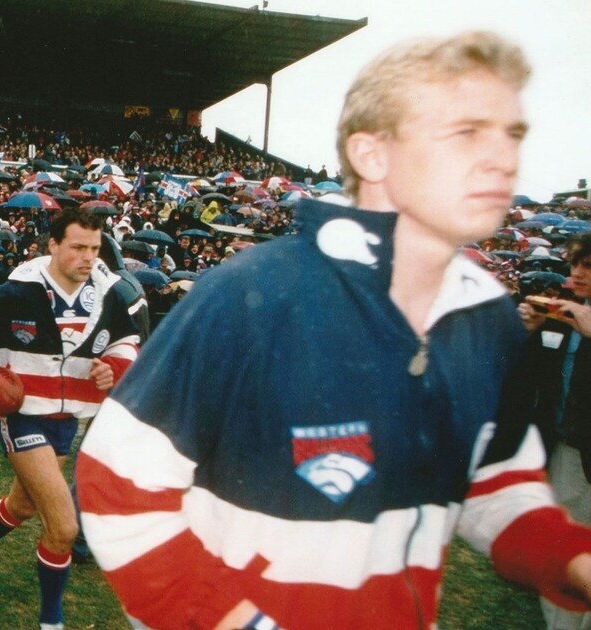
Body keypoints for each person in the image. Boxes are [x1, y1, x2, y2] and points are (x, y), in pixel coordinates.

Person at [74, 31, 591, 629]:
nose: (502, 158)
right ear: (372, 154)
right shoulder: (253, 294)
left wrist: (569, 557)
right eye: (467, 132)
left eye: (512, 134)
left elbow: (494, 481)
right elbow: (117, 483)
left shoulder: (488, 315)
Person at [0, 206, 140, 629]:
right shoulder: (16, 292)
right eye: (78, 247)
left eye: (95, 248)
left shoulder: (108, 294)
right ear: (52, 245)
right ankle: (51, 621)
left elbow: (126, 343)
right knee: (64, 527)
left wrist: (114, 368)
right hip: (23, 414)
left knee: (24, 505)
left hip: (67, 419)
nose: (88, 257)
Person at [512, 232, 591, 630]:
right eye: (575, 263)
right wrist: (528, 331)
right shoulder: (567, 312)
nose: (578, 272)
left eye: (588, 266)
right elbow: (536, 378)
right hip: (569, 450)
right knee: (568, 543)